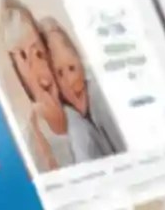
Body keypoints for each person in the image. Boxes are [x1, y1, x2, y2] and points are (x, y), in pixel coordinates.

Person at [1, 0, 73, 172]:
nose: (38, 70)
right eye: (24, 58)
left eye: (39, 54)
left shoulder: (87, 103)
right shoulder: (28, 143)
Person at [40, 17, 122, 162]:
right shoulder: (70, 123)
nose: (71, 81)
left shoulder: (100, 93)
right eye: (59, 73)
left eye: (72, 68)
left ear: (79, 61)